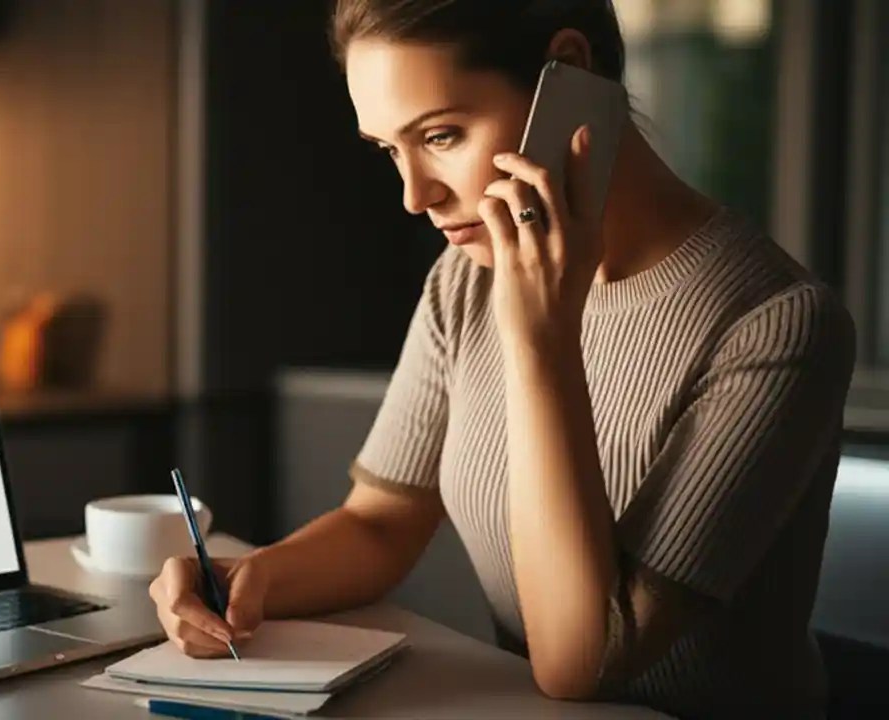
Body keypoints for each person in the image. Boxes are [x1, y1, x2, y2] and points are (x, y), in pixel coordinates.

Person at [148, 2, 856, 717]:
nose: (415, 195)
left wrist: (540, 337)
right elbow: (381, 523)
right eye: (390, 149)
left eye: (441, 135)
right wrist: (247, 579)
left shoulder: (777, 323)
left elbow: (584, 662)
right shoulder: (465, 278)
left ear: (568, 75)